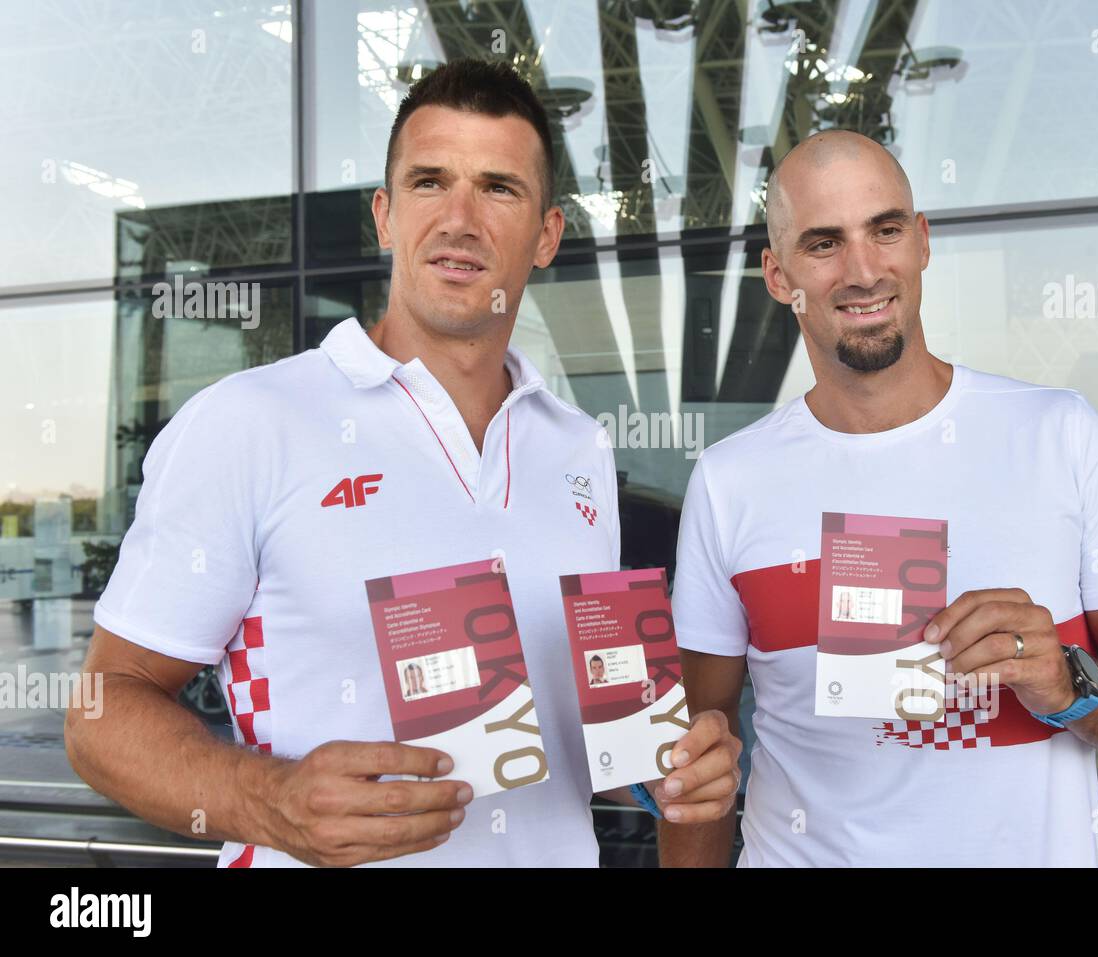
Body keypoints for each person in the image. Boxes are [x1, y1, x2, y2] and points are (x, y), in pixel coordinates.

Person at [65, 58, 740, 868]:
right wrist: (270, 802)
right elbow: (101, 714)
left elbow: (591, 735)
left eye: (498, 188)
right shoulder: (249, 424)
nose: (458, 218)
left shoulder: (578, 447)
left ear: (547, 236)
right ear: (385, 216)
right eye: (429, 182)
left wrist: (671, 768)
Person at [659, 130, 1098, 867]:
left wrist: (1064, 680)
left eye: (884, 231)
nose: (862, 270)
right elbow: (698, 747)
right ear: (778, 273)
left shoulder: (1059, 434)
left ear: (921, 242)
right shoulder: (729, 481)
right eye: (823, 244)